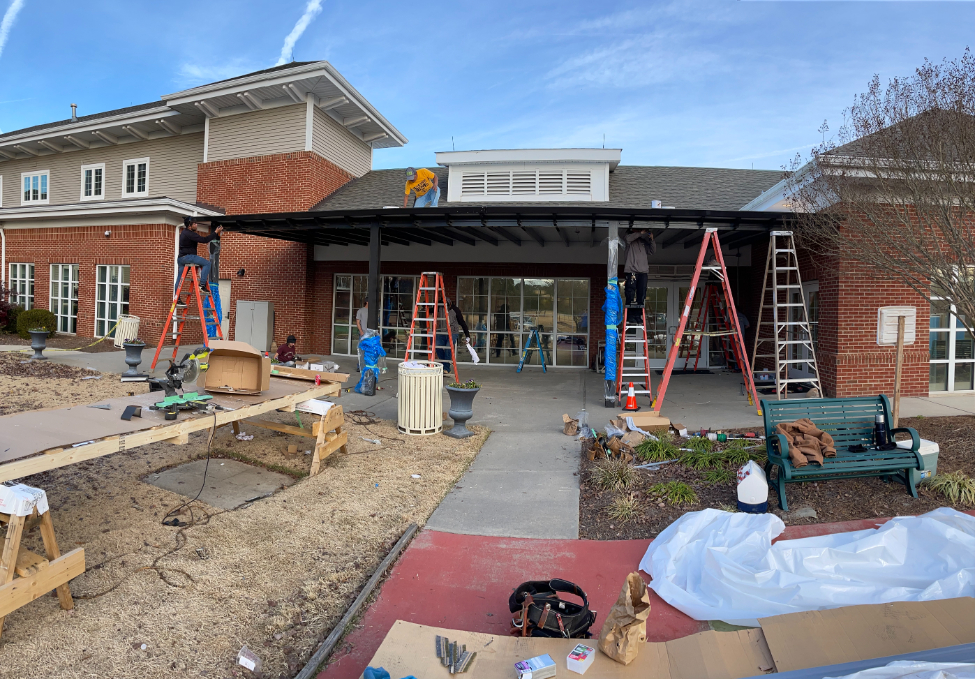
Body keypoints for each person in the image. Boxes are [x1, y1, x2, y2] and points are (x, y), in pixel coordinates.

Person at [175, 217, 223, 303]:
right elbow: (204, 240)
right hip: (188, 257)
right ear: (190, 226)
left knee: (180, 278)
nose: (196, 225)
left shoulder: (184, 233)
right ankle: (202, 285)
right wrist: (216, 232)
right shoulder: (190, 234)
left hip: (181, 258)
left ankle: (177, 298)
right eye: (194, 224)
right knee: (207, 264)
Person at [622, 228, 654, 320]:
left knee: (641, 294)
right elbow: (628, 239)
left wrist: (651, 239)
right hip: (632, 271)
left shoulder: (643, 242)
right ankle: (630, 316)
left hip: (643, 272)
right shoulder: (629, 239)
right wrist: (640, 233)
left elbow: (652, 251)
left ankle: (637, 315)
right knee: (630, 294)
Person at [436, 298, 471, 367]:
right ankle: (444, 365)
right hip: (442, 332)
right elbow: (432, 309)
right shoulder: (440, 308)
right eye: (443, 306)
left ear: (450, 305)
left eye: (446, 306)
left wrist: (467, 335)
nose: (445, 308)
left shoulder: (455, 310)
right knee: (438, 347)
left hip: (453, 332)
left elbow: (462, 322)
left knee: (448, 348)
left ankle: (446, 368)